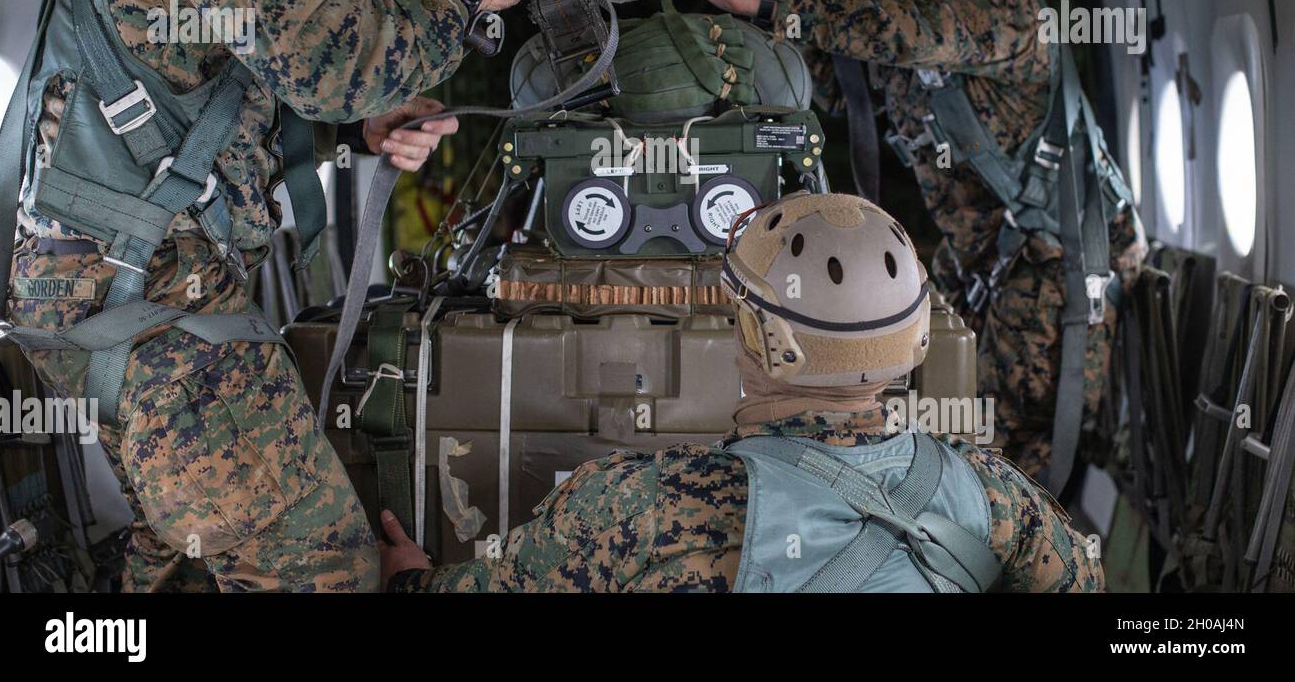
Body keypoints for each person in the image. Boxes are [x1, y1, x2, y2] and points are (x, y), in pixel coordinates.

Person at [0, 0, 544, 591]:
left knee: (183, 556)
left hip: (130, 277)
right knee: (319, 564)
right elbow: (331, 64)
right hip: (144, 286)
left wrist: (354, 132)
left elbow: (211, 79)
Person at [669, 0, 1145, 488]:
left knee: (1016, 463)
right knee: (964, 439)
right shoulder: (907, 8)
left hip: (1050, 268)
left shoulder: (999, 2)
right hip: (985, 264)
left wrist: (778, 5)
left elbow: (906, 35)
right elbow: (846, 90)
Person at [380, 193, 1104, 593]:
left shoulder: (638, 505)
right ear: (916, 338)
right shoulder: (996, 498)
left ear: (753, 338)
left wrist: (412, 582)